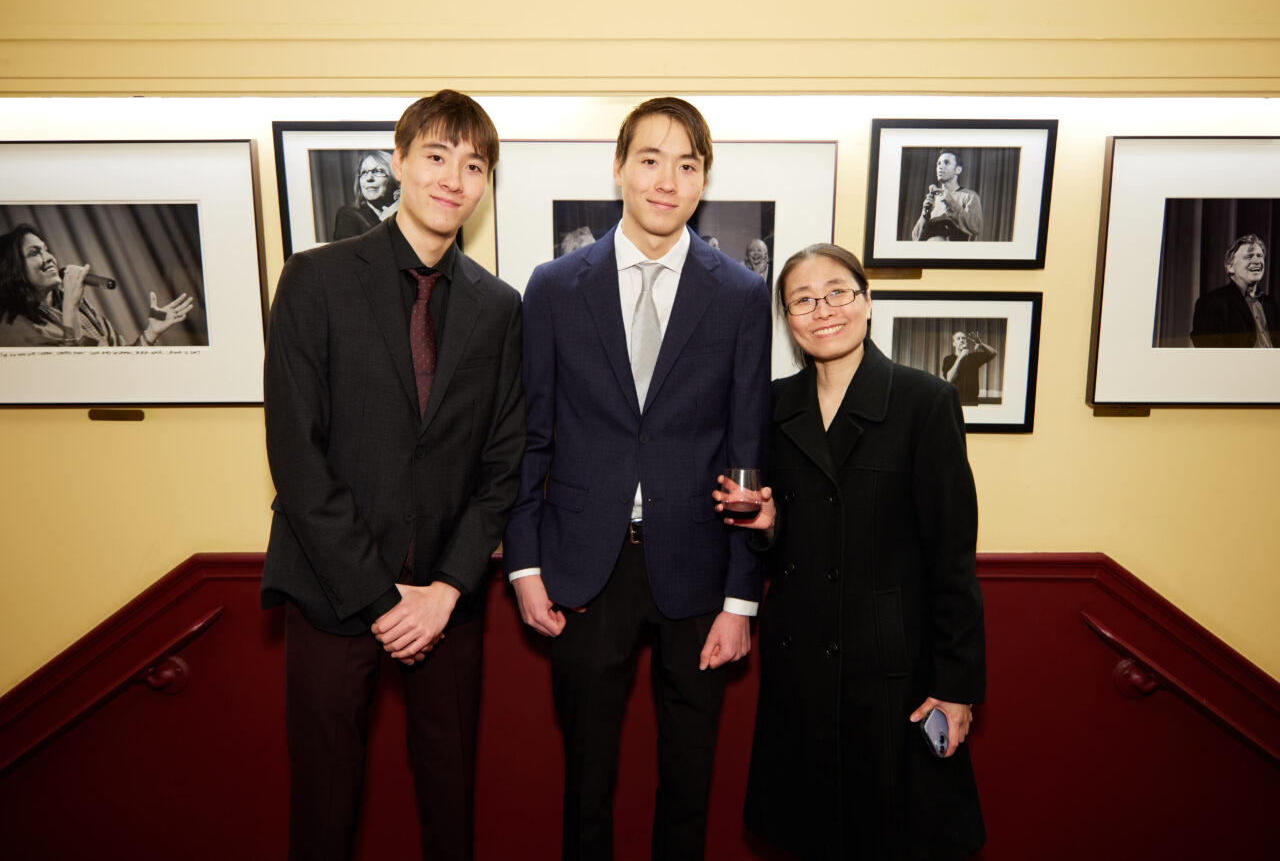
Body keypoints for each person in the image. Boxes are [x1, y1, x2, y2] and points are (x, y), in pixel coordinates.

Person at [504, 96, 772, 859]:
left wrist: (741, 597)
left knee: (689, 777)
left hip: (698, 568)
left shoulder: (741, 296)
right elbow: (534, 433)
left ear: (702, 181)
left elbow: (747, 445)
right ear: (619, 168)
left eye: (687, 165)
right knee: (586, 776)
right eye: (650, 160)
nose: (667, 180)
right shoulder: (555, 286)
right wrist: (523, 564)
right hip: (585, 564)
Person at [260, 90, 524, 861]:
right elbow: (296, 457)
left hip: (449, 599)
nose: (454, 178)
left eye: (474, 165)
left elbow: (504, 462)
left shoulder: (500, 306)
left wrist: (444, 591)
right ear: (401, 160)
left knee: (451, 806)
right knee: (325, 806)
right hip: (335, 590)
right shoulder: (315, 279)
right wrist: (379, 599)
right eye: (438, 156)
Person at [724, 243, 986, 860]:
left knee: (893, 839)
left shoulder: (925, 401)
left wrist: (957, 685)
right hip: (800, 668)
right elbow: (785, 537)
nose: (823, 310)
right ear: (787, 319)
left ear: (867, 302)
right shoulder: (772, 405)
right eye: (803, 300)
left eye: (838, 292)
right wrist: (766, 523)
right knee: (806, 838)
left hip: (894, 670)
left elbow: (953, 557)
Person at [0, 223, 193, 347]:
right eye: (35, 253)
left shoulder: (76, 304)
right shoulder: (14, 328)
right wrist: (70, 308)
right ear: (13, 268)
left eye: (46, 250)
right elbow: (72, 377)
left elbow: (118, 361)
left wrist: (151, 332)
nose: (49, 258)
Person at [1190, 233, 1278, 348]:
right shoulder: (1211, 303)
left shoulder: (1272, 305)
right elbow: (1210, 352)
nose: (1257, 261)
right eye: (1249, 257)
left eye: (1259, 256)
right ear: (1230, 267)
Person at [911, 149, 983, 242]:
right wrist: (924, 214)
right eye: (938, 164)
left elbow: (975, 227)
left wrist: (950, 202)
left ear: (958, 170)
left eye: (946, 162)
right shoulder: (933, 199)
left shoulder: (969, 196)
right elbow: (915, 239)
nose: (940, 167)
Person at [331, 150, 400, 241]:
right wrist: (385, 221)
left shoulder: (408, 218)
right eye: (364, 172)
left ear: (395, 179)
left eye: (378, 171)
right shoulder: (349, 216)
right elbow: (346, 253)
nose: (369, 178)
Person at [943, 329, 997, 405]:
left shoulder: (973, 357)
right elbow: (949, 379)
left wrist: (981, 344)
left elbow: (993, 353)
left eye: (963, 338)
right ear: (954, 344)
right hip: (954, 400)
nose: (962, 340)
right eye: (958, 338)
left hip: (972, 401)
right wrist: (960, 357)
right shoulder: (948, 359)